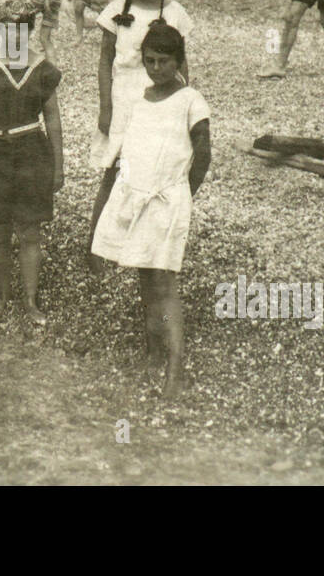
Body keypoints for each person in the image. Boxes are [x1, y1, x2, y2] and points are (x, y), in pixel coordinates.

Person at [91, 22, 210, 396]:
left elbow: (203, 155)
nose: (156, 69)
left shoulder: (191, 99)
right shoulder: (140, 100)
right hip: (137, 196)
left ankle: (176, 365)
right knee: (144, 275)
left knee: (164, 280)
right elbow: (129, 152)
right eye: (149, 61)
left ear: (179, 60)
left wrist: (183, 193)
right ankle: (153, 350)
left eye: (163, 61)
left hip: (169, 199)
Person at [88, 0, 193, 273]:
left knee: (152, 174)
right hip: (123, 102)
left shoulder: (174, 14)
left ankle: (142, 248)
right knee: (114, 174)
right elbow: (105, 62)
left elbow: (181, 65)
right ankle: (96, 249)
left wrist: (184, 106)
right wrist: (105, 106)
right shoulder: (116, 11)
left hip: (158, 102)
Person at [0, 0, 63, 323]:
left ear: (30, 30)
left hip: (32, 153)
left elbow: (52, 120)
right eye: (7, 30)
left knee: (30, 230)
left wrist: (59, 166)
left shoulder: (43, 70)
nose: (13, 37)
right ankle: (2, 299)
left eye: (20, 30)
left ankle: (31, 303)